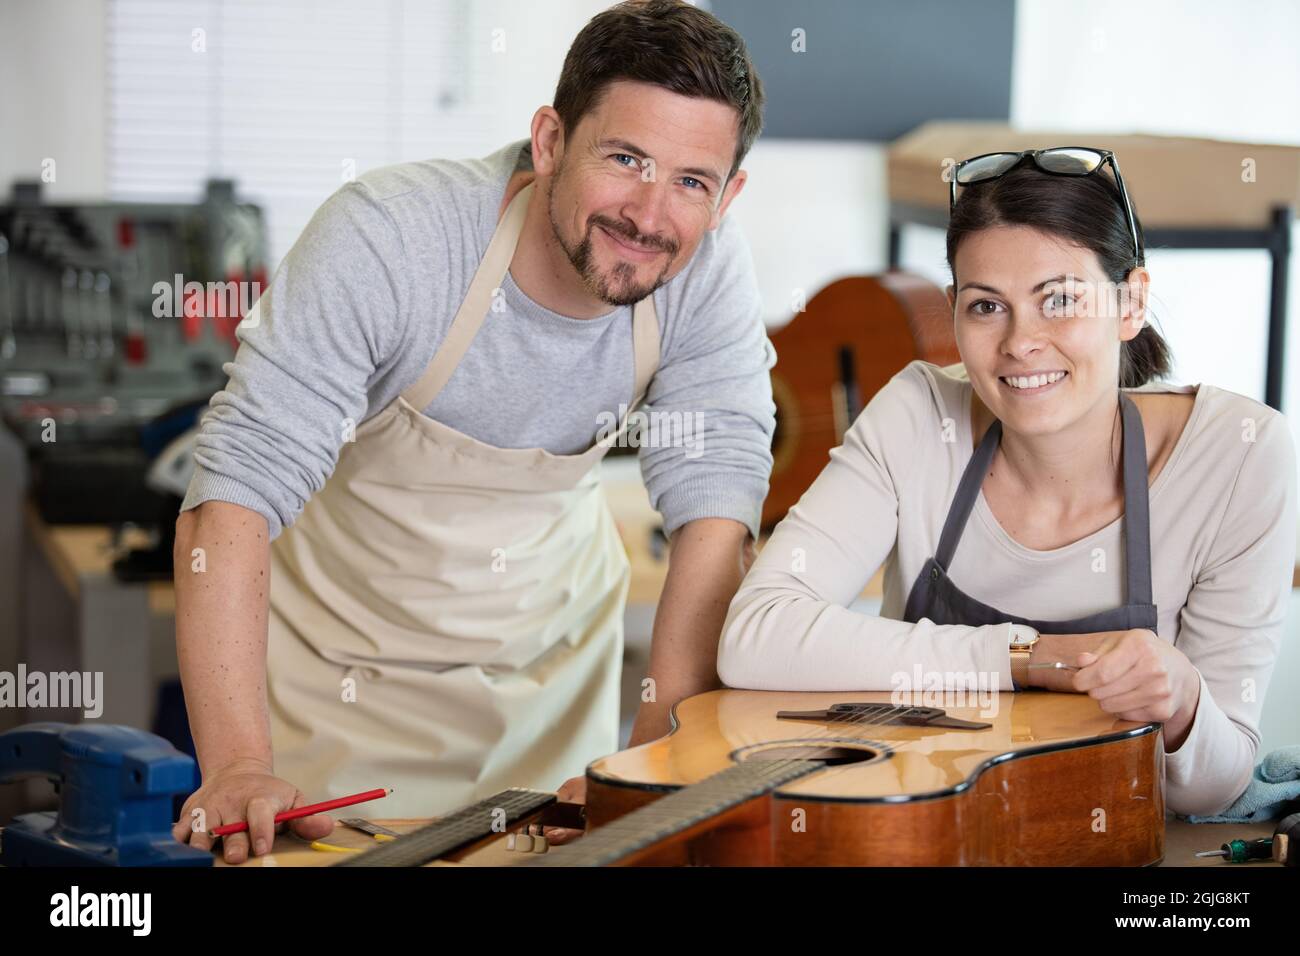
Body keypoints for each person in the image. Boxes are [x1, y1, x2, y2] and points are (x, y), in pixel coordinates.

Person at [173, 0, 774, 863]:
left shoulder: (705, 273)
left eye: (691, 181)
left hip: (546, 683)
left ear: (728, 196)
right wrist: (235, 762)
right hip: (340, 681)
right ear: (550, 142)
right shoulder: (391, 239)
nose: (649, 213)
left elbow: (717, 517)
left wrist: (653, 770)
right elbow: (230, 493)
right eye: (626, 158)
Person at [718, 147, 1297, 817]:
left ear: (1131, 302)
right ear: (953, 312)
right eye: (987, 306)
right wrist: (1032, 656)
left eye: (1060, 299)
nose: (1021, 342)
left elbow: (1213, 787)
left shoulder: (1239, 455)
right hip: (922, 831)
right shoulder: (917, 414)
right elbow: (755, 635)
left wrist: (1185, 698)